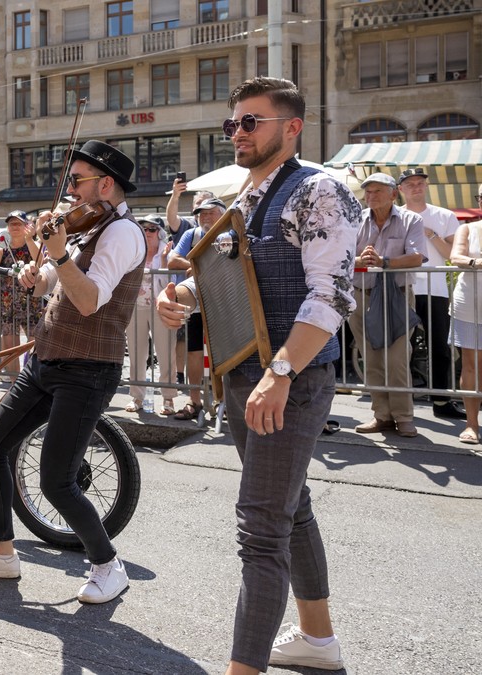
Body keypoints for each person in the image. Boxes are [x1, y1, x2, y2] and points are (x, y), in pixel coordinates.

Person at [155, 76, 359, 674]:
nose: (237, 132)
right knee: (291, 511)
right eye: (233, 123)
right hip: (249, 375)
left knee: (260, 531)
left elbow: (330, 296)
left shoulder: (320, 191)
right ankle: (318, 642)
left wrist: (282, 371)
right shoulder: (247, 196)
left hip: (286, 381)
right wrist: (187, 297)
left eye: (251, 122)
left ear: (291, 127)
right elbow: (227, 275)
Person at [0, 140, 145, 605]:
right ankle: (0, 551)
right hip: (47, 358)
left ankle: (107, 565)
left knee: (56, 480)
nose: (70, 191)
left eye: (77, 181)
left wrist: (57, 257)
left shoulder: (123, 234)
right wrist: (38, 278)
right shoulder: (90, 227)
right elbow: (60, 283)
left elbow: (91, 298)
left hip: (88, 368)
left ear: (105, 184)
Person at [349, 172, 425, 439]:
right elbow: (344, 257)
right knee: (370, 358)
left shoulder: (410, 219)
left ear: (394, 194)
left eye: (377, 191)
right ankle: (381, 415)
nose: (371, 196)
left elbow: (417, 257)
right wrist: (363, 258)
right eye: (368, 192)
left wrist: (384, 262)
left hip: (397, 295)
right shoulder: (356, 220)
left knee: (397, 359)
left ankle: (404, 417)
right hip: (361, 295)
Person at [397, 167, 465, 419]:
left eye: (420, 183)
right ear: (400, 189)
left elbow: (451, 255)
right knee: (402, 347)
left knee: (440, 347)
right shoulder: (394, 215)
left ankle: (441, 401)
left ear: (426, 186)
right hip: (402, 288)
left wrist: (431, 234)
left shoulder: (444, 215)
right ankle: (402, 404)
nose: (416, 187)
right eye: (410, 184)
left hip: (434, 289)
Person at [166, 197, 226, 420]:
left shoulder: (231, 233)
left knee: (224, 352)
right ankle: (195, 400)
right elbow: (173, 259)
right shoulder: (192, 234)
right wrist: (195, 266)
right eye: (201, 213)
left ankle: (224, 401)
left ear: (221, 214)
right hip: (196, 300)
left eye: (209, 213)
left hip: (224, 302)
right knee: (193, 352)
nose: (204, 217)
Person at [124, 214, 177, 415]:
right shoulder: (135, 251)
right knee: (137, 353)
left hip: (160, 308)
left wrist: (163, 261)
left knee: (166, 354)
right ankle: (137, 397)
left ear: (160, 232)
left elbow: (169, 285)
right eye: (144, 229)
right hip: (135, 308)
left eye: (152, 229)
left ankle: (168, 399)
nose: (147, 233)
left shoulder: (168, 253)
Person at [0, 210, 43, 383]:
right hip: (7, 301)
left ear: (26, 225)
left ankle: (32, 382)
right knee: (10, 346)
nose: (15, 227)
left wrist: (30, 239)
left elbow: (41, 263)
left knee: (33, 344)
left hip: (32, 302)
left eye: (18, 223)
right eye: (11, 223)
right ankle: (14, 382)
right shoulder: (3, 246)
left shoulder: (32, 243)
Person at [449, 207, 482, 444]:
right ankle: (472, 425)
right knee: (470, 366)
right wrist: (477, 262)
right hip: (468, 306)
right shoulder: (467, 228)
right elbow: (456, 257)